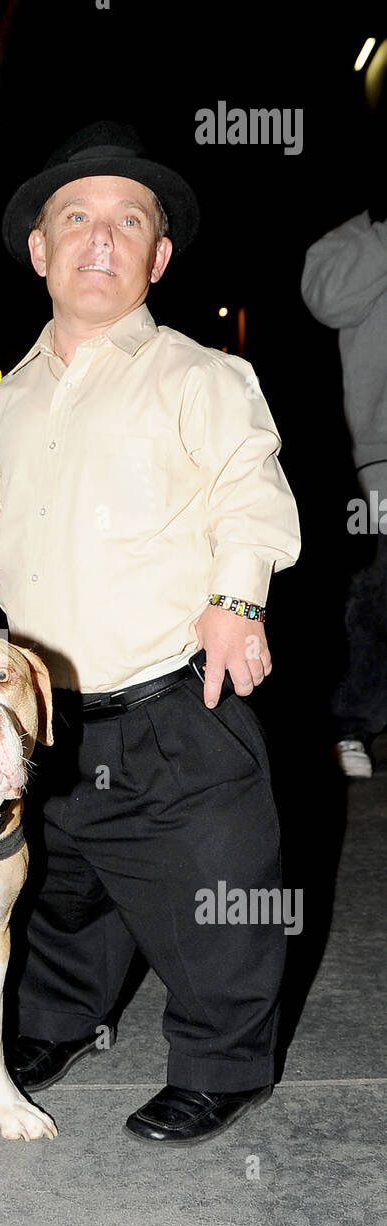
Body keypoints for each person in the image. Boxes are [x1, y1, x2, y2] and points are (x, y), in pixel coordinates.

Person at [0, 122, 301, 1145]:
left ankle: (224, 1065)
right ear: (40, 251)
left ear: (156, 257)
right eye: (75, 219)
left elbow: (249, 492)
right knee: (62, 887)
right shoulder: (9, 399)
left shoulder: (197, 375)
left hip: (176, 702)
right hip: (48, 708)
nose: (101, 238)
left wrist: (239, 595)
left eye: (126, 222)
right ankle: (56, 1020)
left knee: (214, 893)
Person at [300, 170, 387, 778]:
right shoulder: (350, 241)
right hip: (379, 455)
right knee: (371, 596)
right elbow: (326, 300)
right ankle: (350, 724)